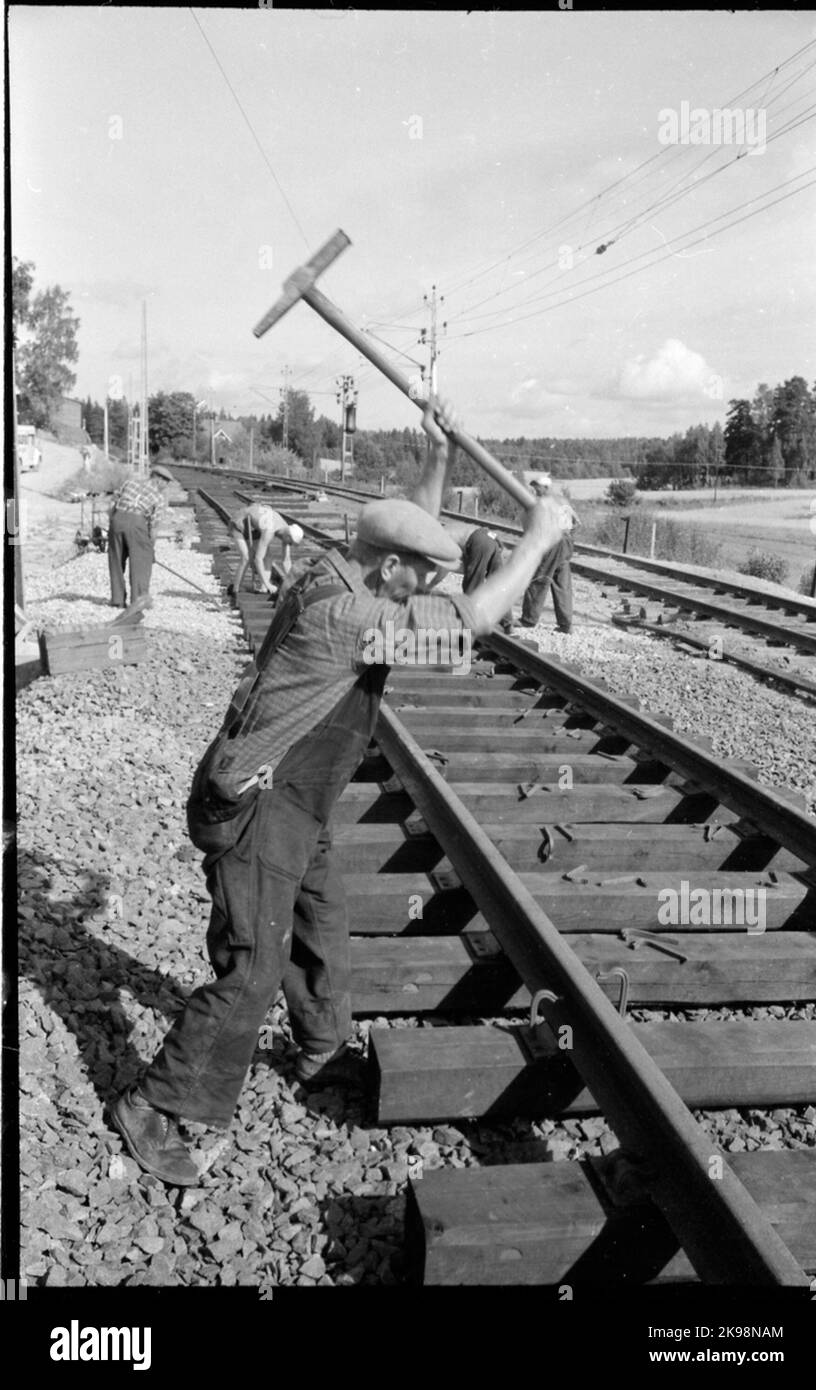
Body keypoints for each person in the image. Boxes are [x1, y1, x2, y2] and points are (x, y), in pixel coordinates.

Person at [109, 398, 570, 1185]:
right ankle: (162, 1107)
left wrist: (436, 460)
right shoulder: (355, 618)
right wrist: (538, 539)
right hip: (255, 800)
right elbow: (471, 625)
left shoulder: (340, 563)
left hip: (300, 795)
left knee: (322, 921)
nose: (426, 588)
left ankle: (321, 1053)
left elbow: (410, 532)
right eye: (420, 579)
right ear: (389, 575)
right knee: (254, 966)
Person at [519, 473, 580, 633]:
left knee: (540, 578)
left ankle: (528, 620)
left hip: (552, 542)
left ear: (545, 487)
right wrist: (567, 538)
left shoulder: (542, 503)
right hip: (566, 541)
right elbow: (577, 522)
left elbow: (533, 528)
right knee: (562, 583)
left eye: (536, 486)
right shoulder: (562, 501)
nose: (534, 489)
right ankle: (566, 624)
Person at [107, 466, 174, 608]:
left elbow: (112, 504)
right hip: (137, 523)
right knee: (141, 563)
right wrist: (150, 550)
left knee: (116, 560)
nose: (166, 486)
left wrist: (113, 523)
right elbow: (154, 528)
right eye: (166, 482)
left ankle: (117, 600)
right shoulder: (158, 498)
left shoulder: (129, 483)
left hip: (117, 519)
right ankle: (139, 601)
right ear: (158, 479)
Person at [226, 503, 304, 597]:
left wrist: (291, 581)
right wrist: (269, 584)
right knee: (246, 557)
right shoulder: (269, 532)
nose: (289, 545)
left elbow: (286, 560)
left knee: (268, 557)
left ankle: (264, 588)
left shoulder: (285, 528)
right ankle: (235, 589)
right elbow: (258, 559)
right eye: (291, 543)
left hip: (253, 527)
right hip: (238, 523)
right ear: (288, 536)